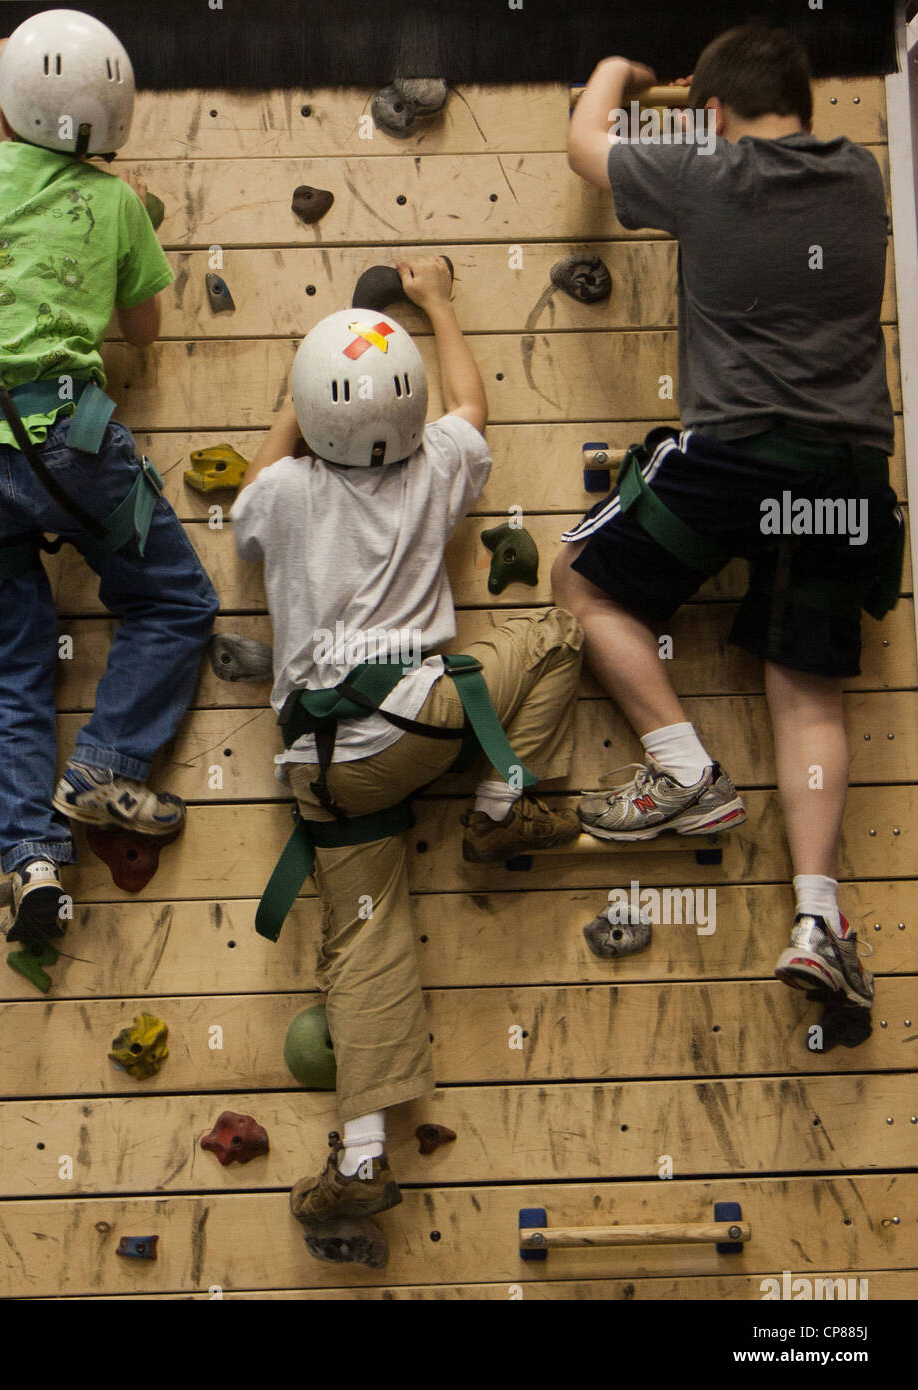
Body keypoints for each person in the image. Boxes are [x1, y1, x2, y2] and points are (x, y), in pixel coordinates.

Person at [553, 25, 903, 1020]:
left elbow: (584, 145)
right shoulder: (860, 179)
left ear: (707, 112)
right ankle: (815, 921)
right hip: (844, 469)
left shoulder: (702, 171)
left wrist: (615, 74)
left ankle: (683, 770)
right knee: (805, 696)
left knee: (579, 578)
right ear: (807, 105)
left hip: (735, 455)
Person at [231, 258, 583, 1243]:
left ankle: (361, 1155)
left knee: (363, 936)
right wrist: (434, 301)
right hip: (417, 719)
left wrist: (295, 402)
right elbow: (472, 403)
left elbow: (251, 495)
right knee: (555, 634)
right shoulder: (435, 461)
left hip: (320, 765)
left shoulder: (286, 492)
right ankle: (498, 810)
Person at [0, 11, 219, 945]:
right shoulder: (110, 203)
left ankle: (31, 859)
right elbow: (143, 334)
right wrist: (135, 219)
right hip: (75, 446)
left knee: (7, 665)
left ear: (10, 96)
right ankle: (103, 767)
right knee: (176, 600)